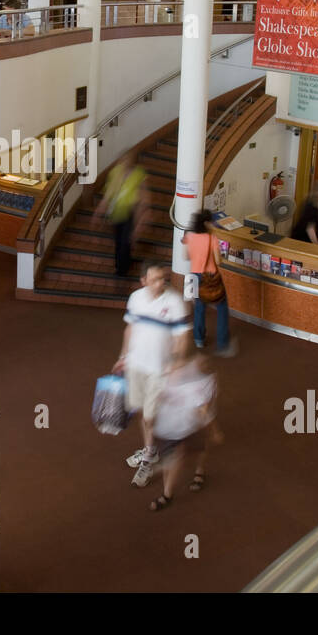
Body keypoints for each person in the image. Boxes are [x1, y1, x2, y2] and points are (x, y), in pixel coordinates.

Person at [113, 263, 192, 488]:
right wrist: (122, 356)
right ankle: (151, 449)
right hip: (136, 365)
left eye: (163, 279)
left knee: (150, 415)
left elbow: (182, 337)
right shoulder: (136, 299)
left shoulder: (175, 302)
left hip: (160, 369)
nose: (161, 283)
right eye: (155, 279)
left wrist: (176, 364)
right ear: (144, 281)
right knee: (140, 410)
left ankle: (149, 456)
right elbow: (129, 329)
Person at [148, 352, 220, 511]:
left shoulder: (205, 383)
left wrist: (213, 429)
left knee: (199, 447)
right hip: (175, 426)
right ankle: (167, 493)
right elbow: (160, 394)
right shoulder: (173, 372)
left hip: (193, 424)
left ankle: (199, 470)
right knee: (176, 456)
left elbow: (204, 411)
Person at [182, 210, 236, 356]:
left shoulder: (189, 237)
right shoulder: (212, 238)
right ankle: (222, 342)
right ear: (206, 223)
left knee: (199, 307)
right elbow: (218, 261)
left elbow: (185, 256)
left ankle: (199, 338)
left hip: (194, 275)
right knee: (222, 307)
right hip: (210, 277)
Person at [95, 152, 147, 277]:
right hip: (116, 211)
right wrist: (100, 210)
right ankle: (122, 264)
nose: (125, 162)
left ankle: (122, 268)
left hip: (130, 211)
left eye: (128, 159)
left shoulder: (138, 174)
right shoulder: (116, 172)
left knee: (125, 240)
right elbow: (109, 193)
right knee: (119, 240)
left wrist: (143, 209)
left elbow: (143, 193)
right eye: (123, 159)